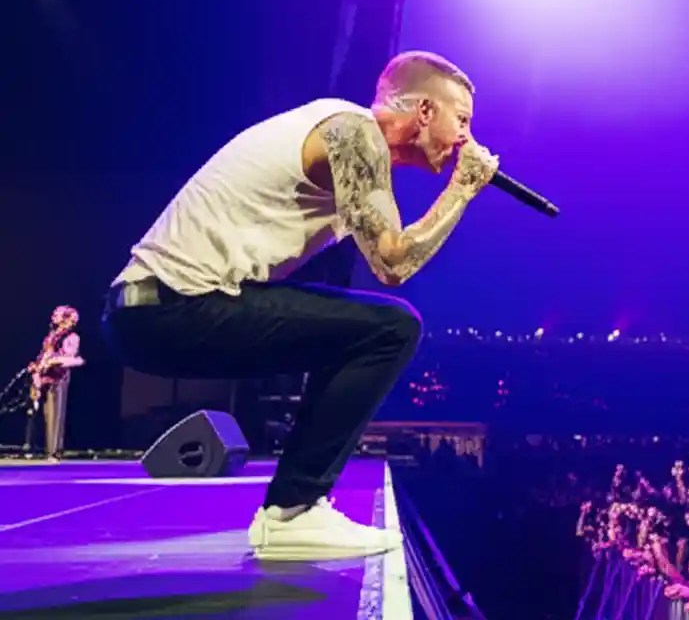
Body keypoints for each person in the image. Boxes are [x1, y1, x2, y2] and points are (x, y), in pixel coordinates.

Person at [102, 51, 499, 561]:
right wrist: (462, 191)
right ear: (424, 111)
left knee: (350, 330)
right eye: (461, 119)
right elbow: (393, 263)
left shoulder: (348, 139)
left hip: (156, 311)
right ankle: (293, 510)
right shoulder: (354, 131)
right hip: (167, 308)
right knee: (391, 327)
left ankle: (295, 505)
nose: (467, 138)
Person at [24, 305, 84, 459]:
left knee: (54, 415)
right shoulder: (51, 336)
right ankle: (38, 448)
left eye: (57, 314)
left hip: (57, 377)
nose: (53, 316)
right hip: (43, 378)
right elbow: (44, 354)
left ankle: (54, 451)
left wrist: (53, 361)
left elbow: (72, 358)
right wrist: (36, 366)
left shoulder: (71, 337)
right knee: (41, 414)